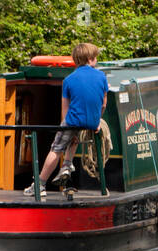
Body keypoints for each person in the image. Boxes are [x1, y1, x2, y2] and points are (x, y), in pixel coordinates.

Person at [27, 42, 110, 197]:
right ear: (91, 59)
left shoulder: (69, 80)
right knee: (75, 136)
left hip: (73, 121)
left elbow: (65, 108)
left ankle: (40, 185)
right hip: (92, 121)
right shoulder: (102, 77)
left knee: (56, 148)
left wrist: (64, 126)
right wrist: (97, 120)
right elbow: (103, 103)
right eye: (96, 57)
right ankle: (67, 165)